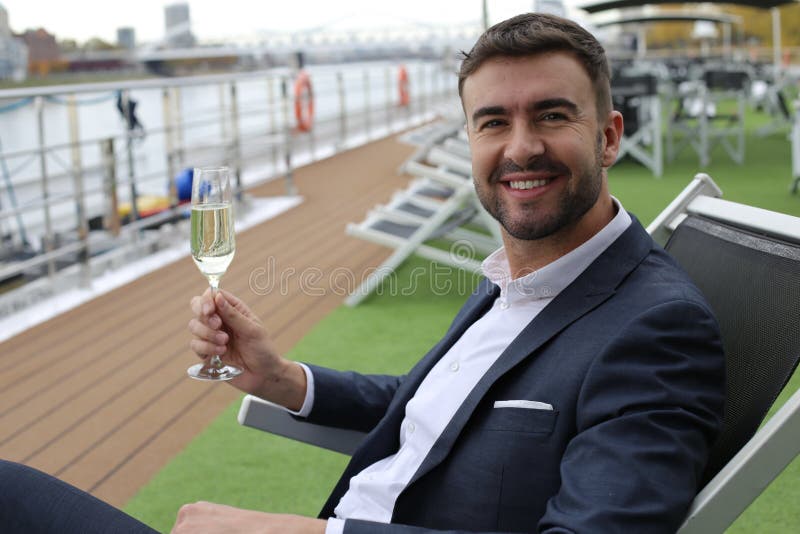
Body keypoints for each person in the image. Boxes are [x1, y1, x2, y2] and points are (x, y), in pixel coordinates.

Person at [0, 12, 724, 534]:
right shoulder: (520, 276)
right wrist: (284, 381)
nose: (521, 147)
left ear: (608, 136)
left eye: (552, 115)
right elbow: (440, 406)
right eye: (493, 122)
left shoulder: (656, 328)